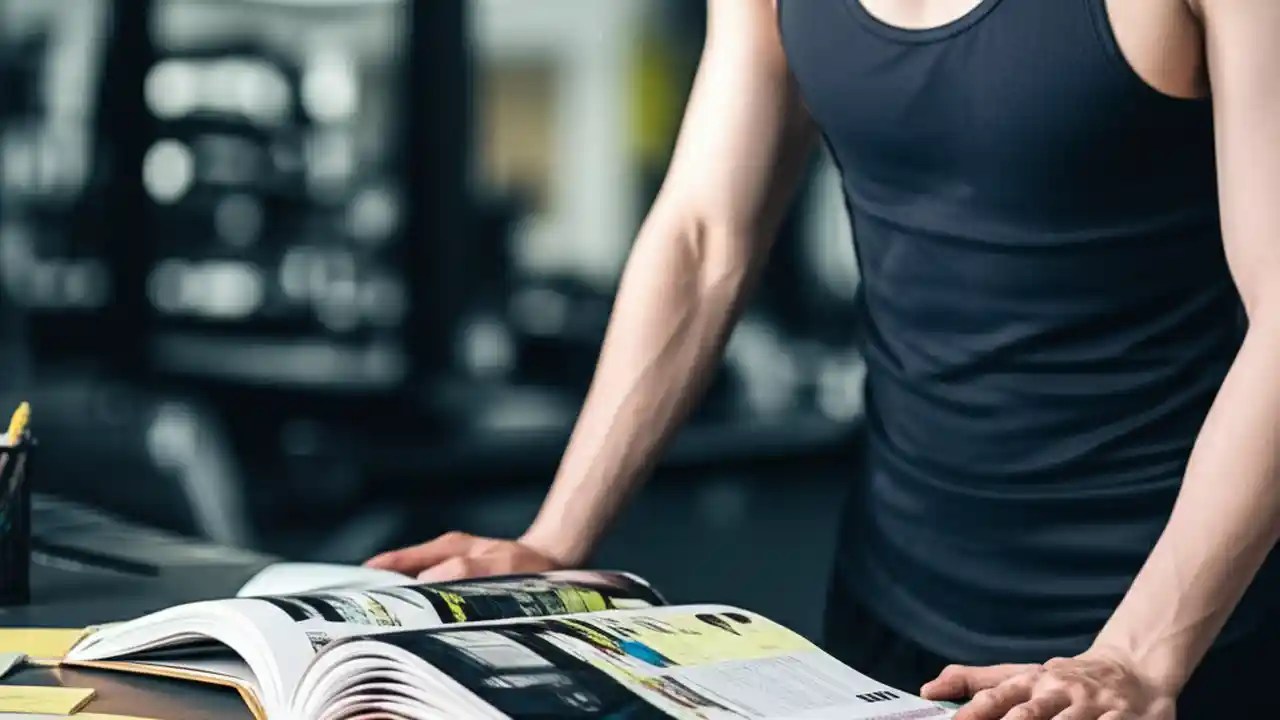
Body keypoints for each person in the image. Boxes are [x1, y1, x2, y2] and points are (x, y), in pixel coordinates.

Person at [369, 0, 1280, 717]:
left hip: (1187, 635)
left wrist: (1140, 656)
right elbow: (703, 236)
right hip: (890, 616)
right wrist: (553, 541)